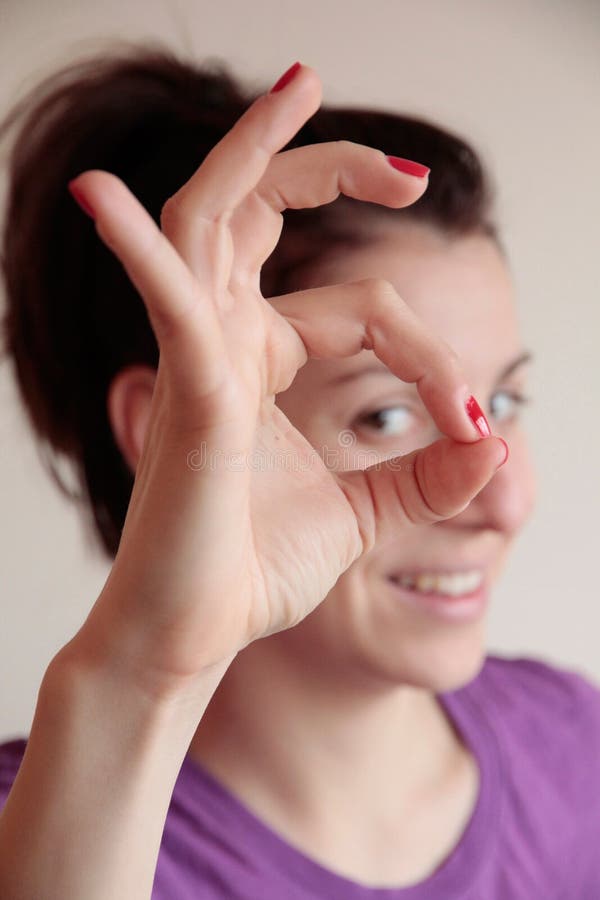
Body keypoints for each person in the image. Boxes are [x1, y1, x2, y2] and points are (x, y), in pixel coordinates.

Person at [0, 43, 598, 900]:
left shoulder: (573, 750)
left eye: (502, 404)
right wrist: (148, 677)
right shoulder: (36, 845)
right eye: (385, 415)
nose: (502, 502)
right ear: (163, 430)